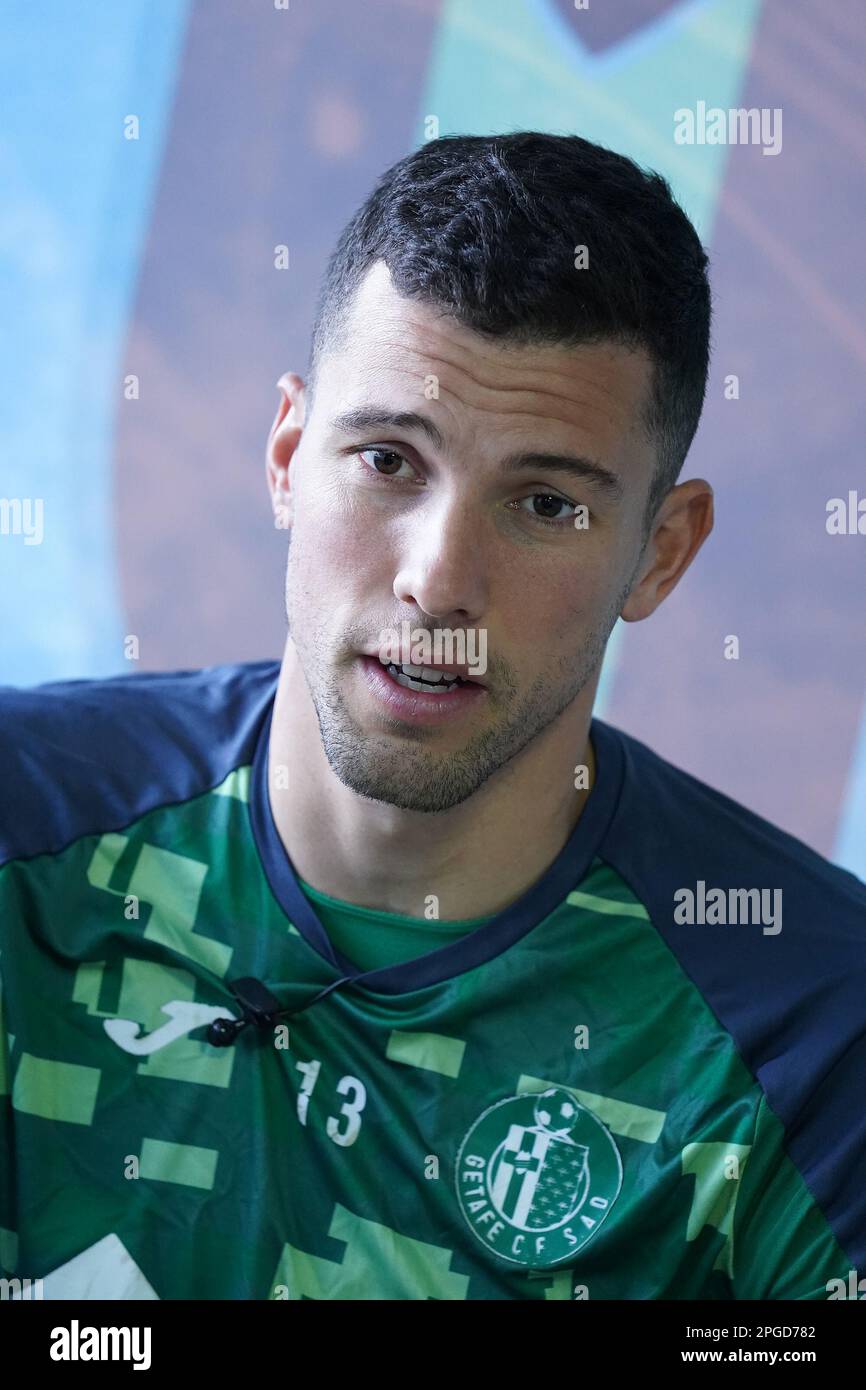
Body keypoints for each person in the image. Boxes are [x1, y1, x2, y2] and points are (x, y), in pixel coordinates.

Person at [1, 132, 863, 1301]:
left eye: (546, 502)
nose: (438, 578)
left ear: (658, 556)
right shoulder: (22, 833)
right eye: (388, 461)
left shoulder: (813, 1028)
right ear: (289, 455)